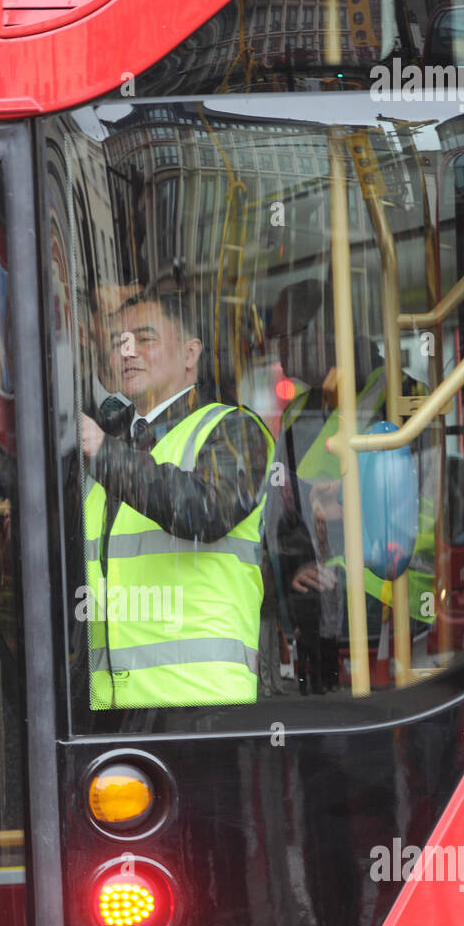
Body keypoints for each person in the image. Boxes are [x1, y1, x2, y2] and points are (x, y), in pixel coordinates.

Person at [79, 288, 273, 709]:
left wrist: (102, 452)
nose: (128, 352)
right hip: (111, 711)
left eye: (144, 338)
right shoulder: (105, 443)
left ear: (190, 353)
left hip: (205, 709)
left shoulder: (236, 429)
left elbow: (203, 512)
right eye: (118, 343)